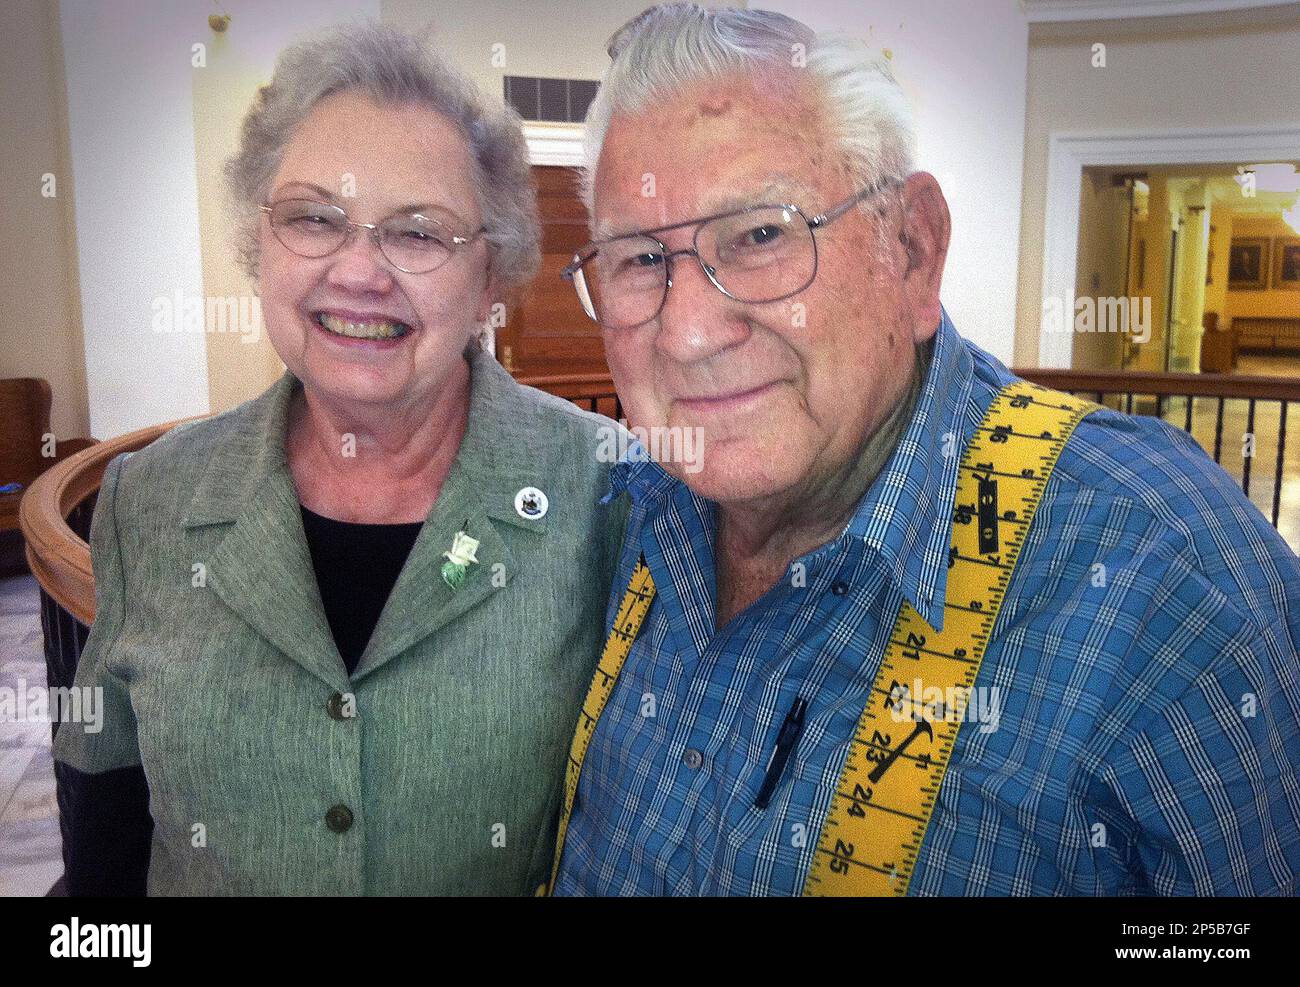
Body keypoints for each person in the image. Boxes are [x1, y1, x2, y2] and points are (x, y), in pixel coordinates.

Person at [549, 3, 1300, 896]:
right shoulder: (625, 508)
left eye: (759, 235)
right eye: (638, 259)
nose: (687, 332)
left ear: (911, 250)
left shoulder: (1164, 573)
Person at [53, 23, 624, 895]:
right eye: (315, 217)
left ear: (490, 277)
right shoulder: (152, 500)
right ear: (261, 241)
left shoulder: (609, 491)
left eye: (419, 233)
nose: (358, 272)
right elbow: (106, 827)